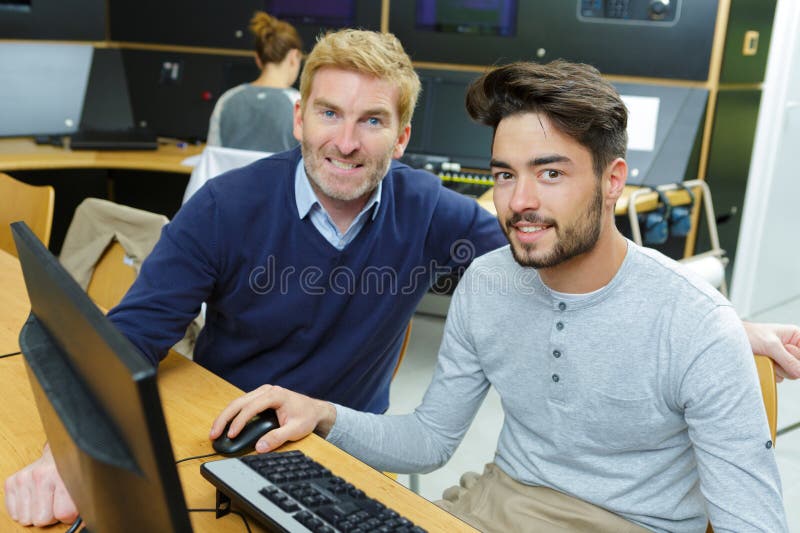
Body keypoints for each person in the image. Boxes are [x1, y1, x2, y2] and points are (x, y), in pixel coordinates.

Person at [4, 29, 800, 527]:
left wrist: (724, 326)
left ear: (403, 136)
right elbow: (126, 337)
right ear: (298, 117)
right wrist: (62, 453)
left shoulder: (439, 218)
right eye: (328, 114)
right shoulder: (226, 206)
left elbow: (582, 273)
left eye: (372, 120)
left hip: (346, 450)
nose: (346, 143)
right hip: (224, 428)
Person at [209, 60, 789, 532]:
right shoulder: (486, 282)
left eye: (551, 173)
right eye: (506, 175)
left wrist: (718, 329)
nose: (519, 201)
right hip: (485, 510)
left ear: (612, 181)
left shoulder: (696, 325)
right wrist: (321, 414)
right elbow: (430, 440)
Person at [206, 11, 302, 152]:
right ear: (294, 56)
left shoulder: (227, 100)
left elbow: (213, 157)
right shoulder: (299, 103)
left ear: (257, 59)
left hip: (234, 175)